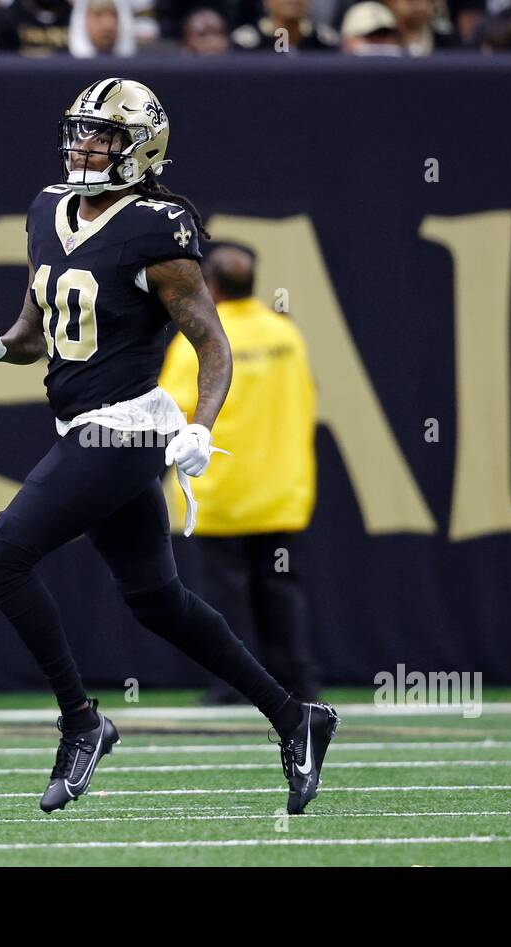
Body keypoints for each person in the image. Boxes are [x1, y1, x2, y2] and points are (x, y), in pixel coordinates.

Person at [0, 78, 339, 815]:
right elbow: (38, 332)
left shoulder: (159, 227)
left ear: (141, 147)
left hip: (127, 425)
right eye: (81, 131)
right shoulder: (46, 209)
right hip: (81, 424)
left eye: (104, 135)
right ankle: (296, 717)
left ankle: (82, 721)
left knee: (4, 554)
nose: (86, 146)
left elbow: (213, 346)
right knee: (158, 601)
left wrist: (201, 424)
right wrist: (0, 346)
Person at [160, 244, 321, 705]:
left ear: (209, 283)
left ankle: (235, 685)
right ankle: (300, 682)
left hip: (222, 490)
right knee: (281, 590)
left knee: (226, 597)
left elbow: (170, 407)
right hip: (279, 488)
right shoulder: (284, 334)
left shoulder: (201, 336)